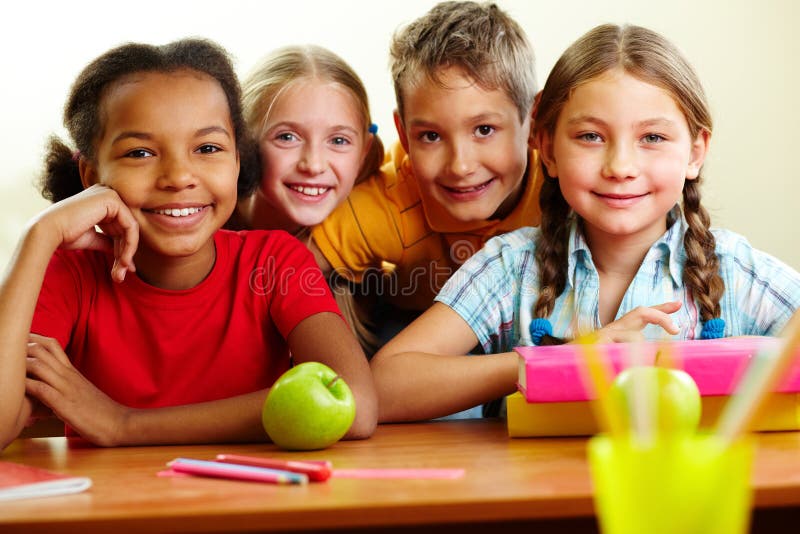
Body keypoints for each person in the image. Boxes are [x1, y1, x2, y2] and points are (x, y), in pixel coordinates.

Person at [370, 23, 800, 422]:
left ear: (695, 152)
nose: (620, 166)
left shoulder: (737, 272)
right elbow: (383, 386)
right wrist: (567, 359)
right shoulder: (510, 268)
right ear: (547, 149)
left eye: (652, 137)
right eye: (591, 136)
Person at [0, 38, 377, 450]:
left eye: (208, 148)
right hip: (111, 508)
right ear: (90, 177)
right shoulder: (68, 273)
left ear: (237, 161)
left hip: (258, 504)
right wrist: (39, 236)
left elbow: (354, 403)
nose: (179, 176)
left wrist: (126, 425)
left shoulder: (276, 261)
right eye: (140, 152)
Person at [309, 1, 543, 355]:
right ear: (403, 135)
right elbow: (289, 273)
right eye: (431, 136)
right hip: (419, 330)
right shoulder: (389, 203)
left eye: (484, 129)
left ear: (534, 122)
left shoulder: (562, 187)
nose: (460, 166)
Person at [227, 44, 384, 238]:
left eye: (338, 141)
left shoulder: (363, 240)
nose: (314, 165)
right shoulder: (205, 224)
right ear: (244, 144)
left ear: (363, 152)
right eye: (287, 137)